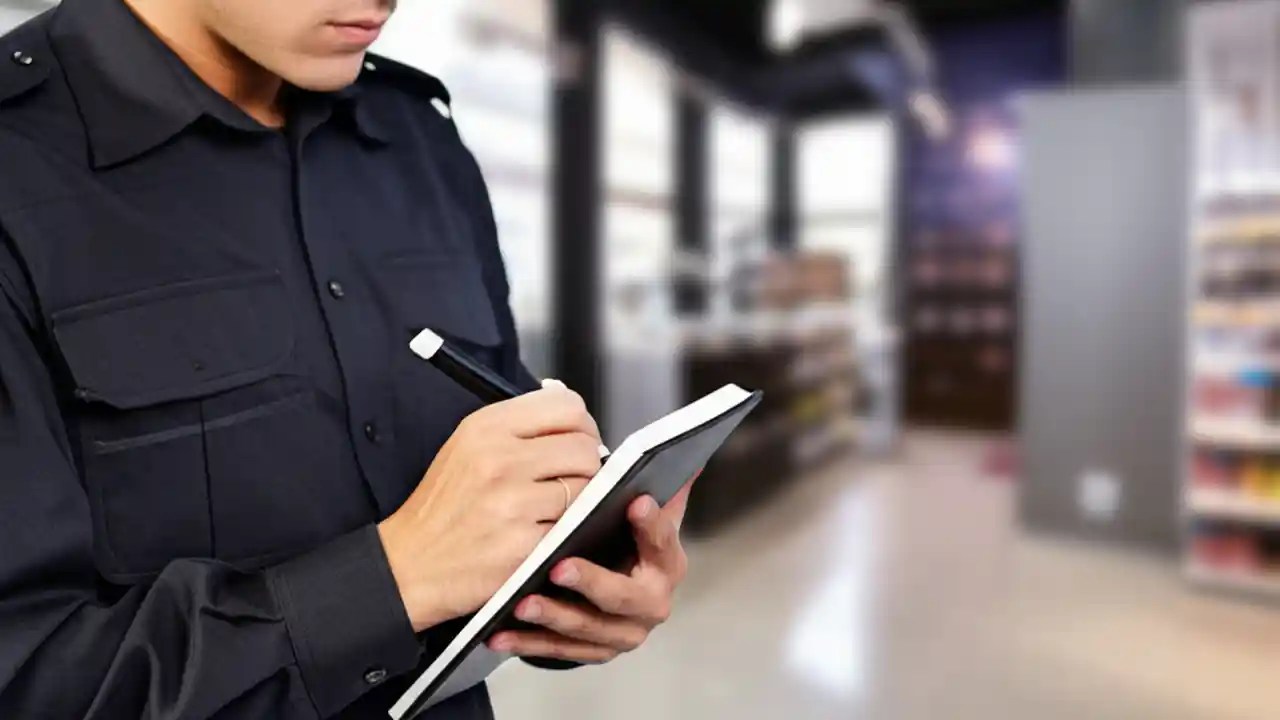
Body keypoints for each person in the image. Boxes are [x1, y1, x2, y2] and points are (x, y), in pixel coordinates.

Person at [0, 1, 695, 718]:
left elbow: (493, 494)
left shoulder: (417, 138)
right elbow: (23, 677)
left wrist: (580, 578)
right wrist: (391, 581)